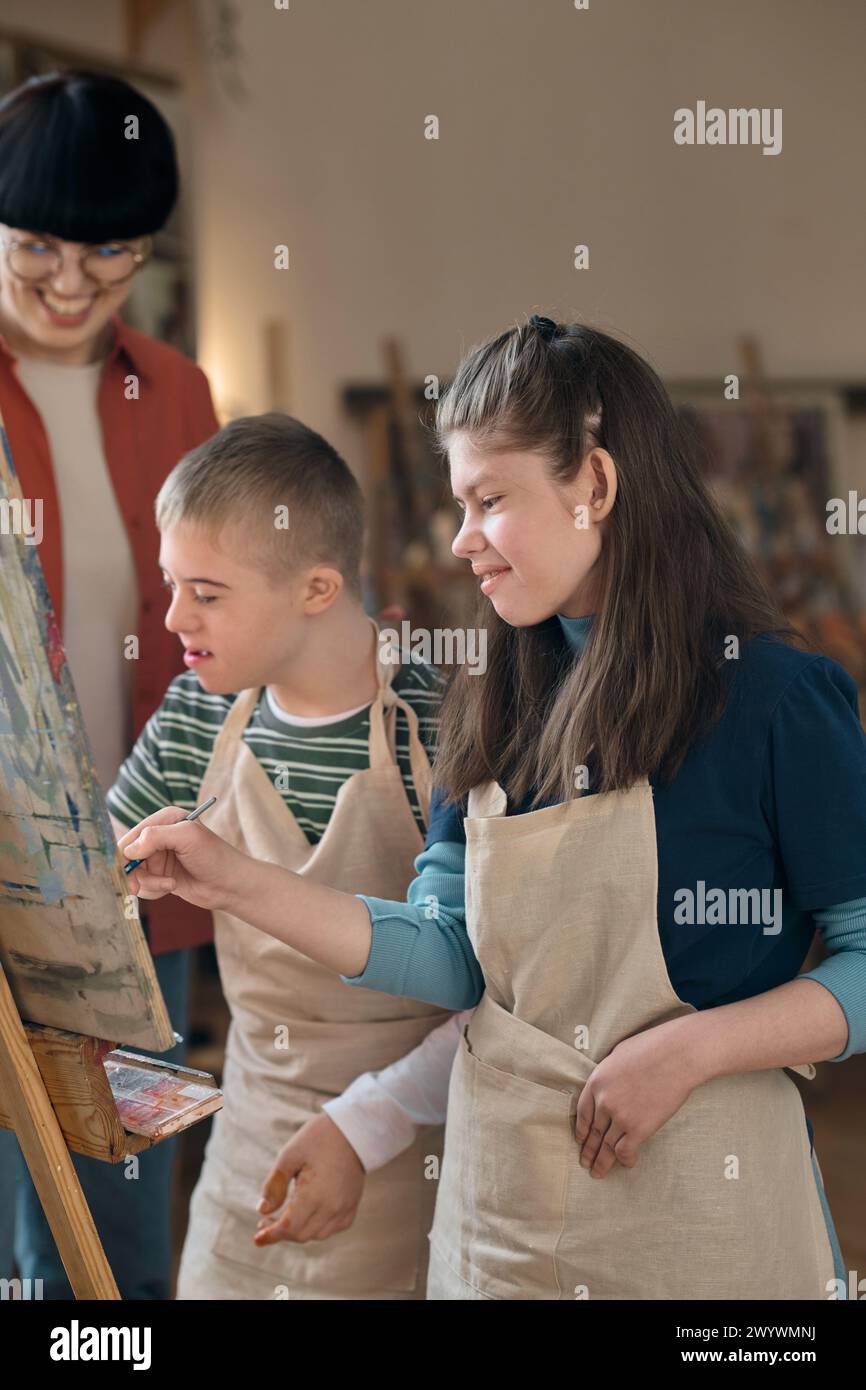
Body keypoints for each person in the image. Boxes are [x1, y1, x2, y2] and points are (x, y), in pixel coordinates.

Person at [118, 317, 866, 1300]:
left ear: (592, 485)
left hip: (700, 1233)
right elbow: (445, 954)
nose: (463, 537)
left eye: (489, 499)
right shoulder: (488, 702)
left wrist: (691, 1048)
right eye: (456, 502)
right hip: (495, 1231)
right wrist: (236, 881)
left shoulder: (771, 699)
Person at [106, 412, 452, 1300]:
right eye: (171, 584)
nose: (176, 617)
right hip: (248, 1147)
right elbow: (89, 888)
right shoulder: (195, 715)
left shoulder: (447, 727)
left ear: (317, 587)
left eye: (208, 593)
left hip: (419, 1153)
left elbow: (510, 991)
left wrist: (368, 1126)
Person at [0, 69, 219, 1299]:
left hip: (139, 874)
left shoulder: (175, 392)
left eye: (111, 253)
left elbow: (214, 630)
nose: (74, 283)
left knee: (122, 1227)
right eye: (36, 248)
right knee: (17, 1240)